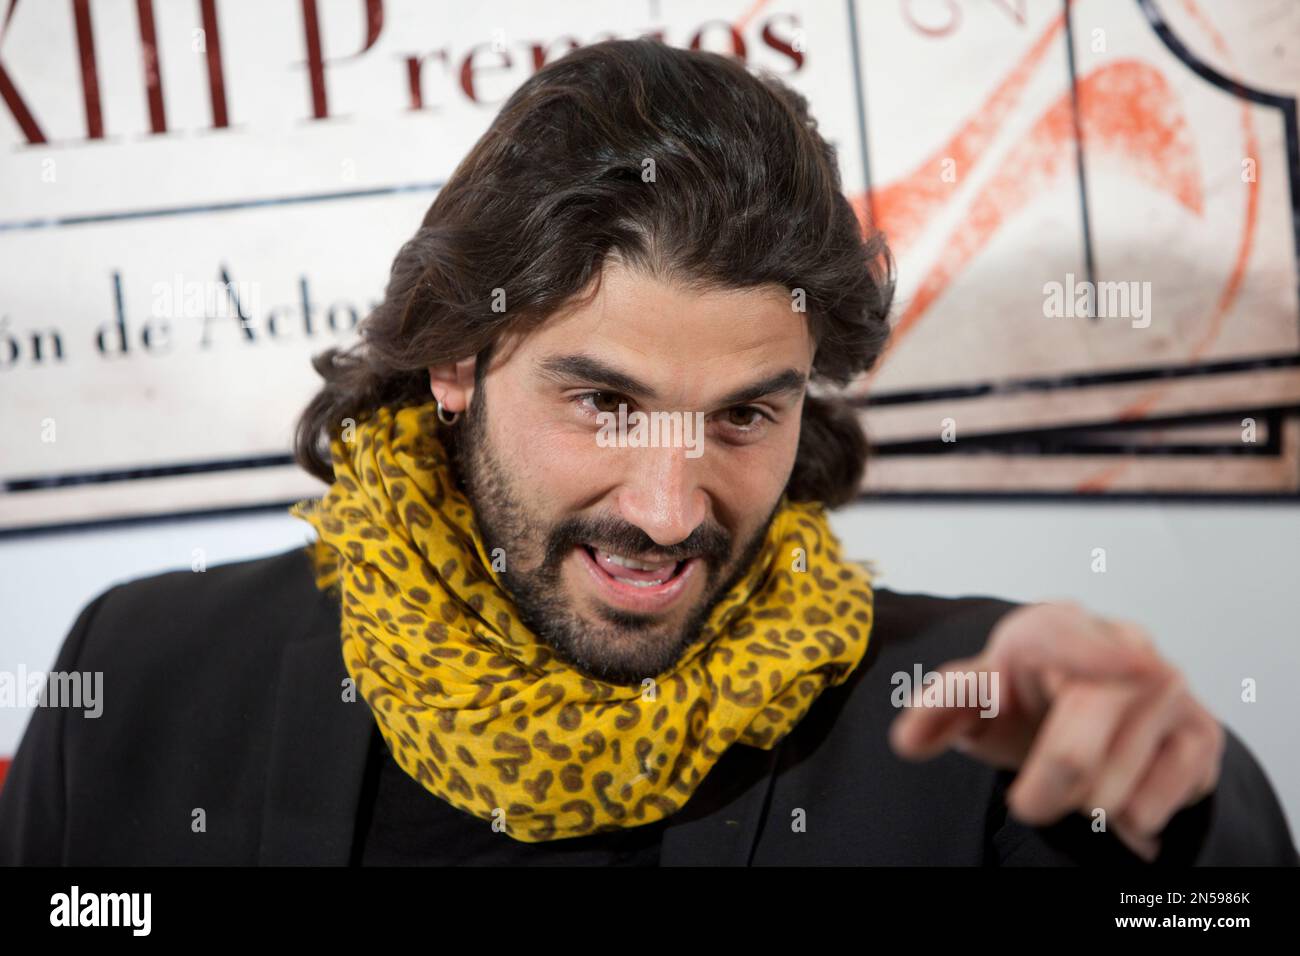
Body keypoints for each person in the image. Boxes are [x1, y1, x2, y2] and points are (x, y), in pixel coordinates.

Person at [0, 38, 1295, 866]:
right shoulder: (146, 679)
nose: (672, 512)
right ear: (456, 359)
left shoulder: (964, 720)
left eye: (744, 416)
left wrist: (1181, 807)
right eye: (606, 406)